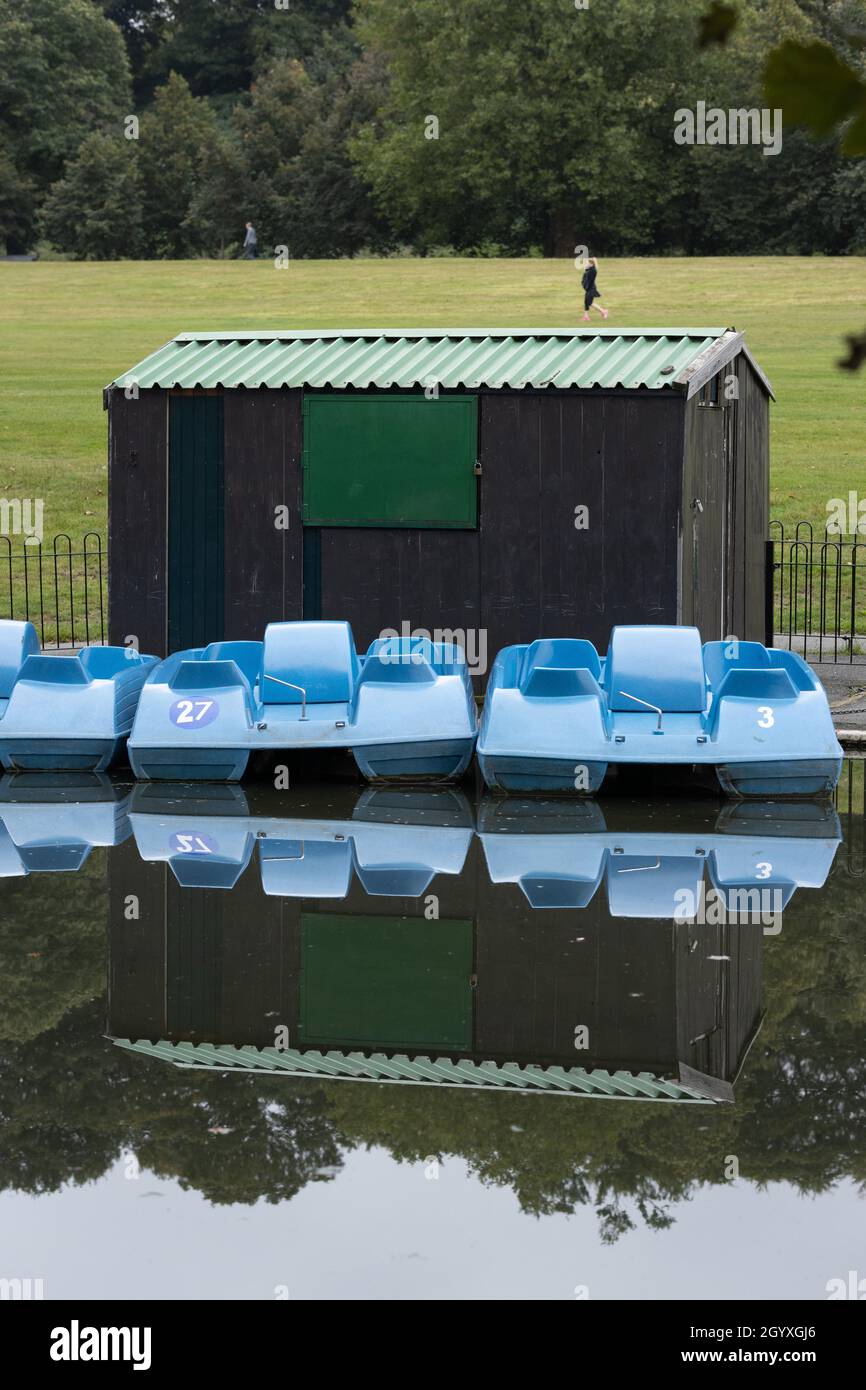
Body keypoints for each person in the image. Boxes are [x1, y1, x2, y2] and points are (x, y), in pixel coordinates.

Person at [581, 256, 609, 322]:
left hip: (591, 289)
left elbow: (596, 269)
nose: (586, 264)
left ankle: (603, 311)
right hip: (589, 289)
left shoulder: (592, 271)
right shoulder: (588, 270)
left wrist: (595, 261)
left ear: (591, 264)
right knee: (588, 302)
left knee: (588, 302)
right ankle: (587, 316)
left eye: (588, 263)